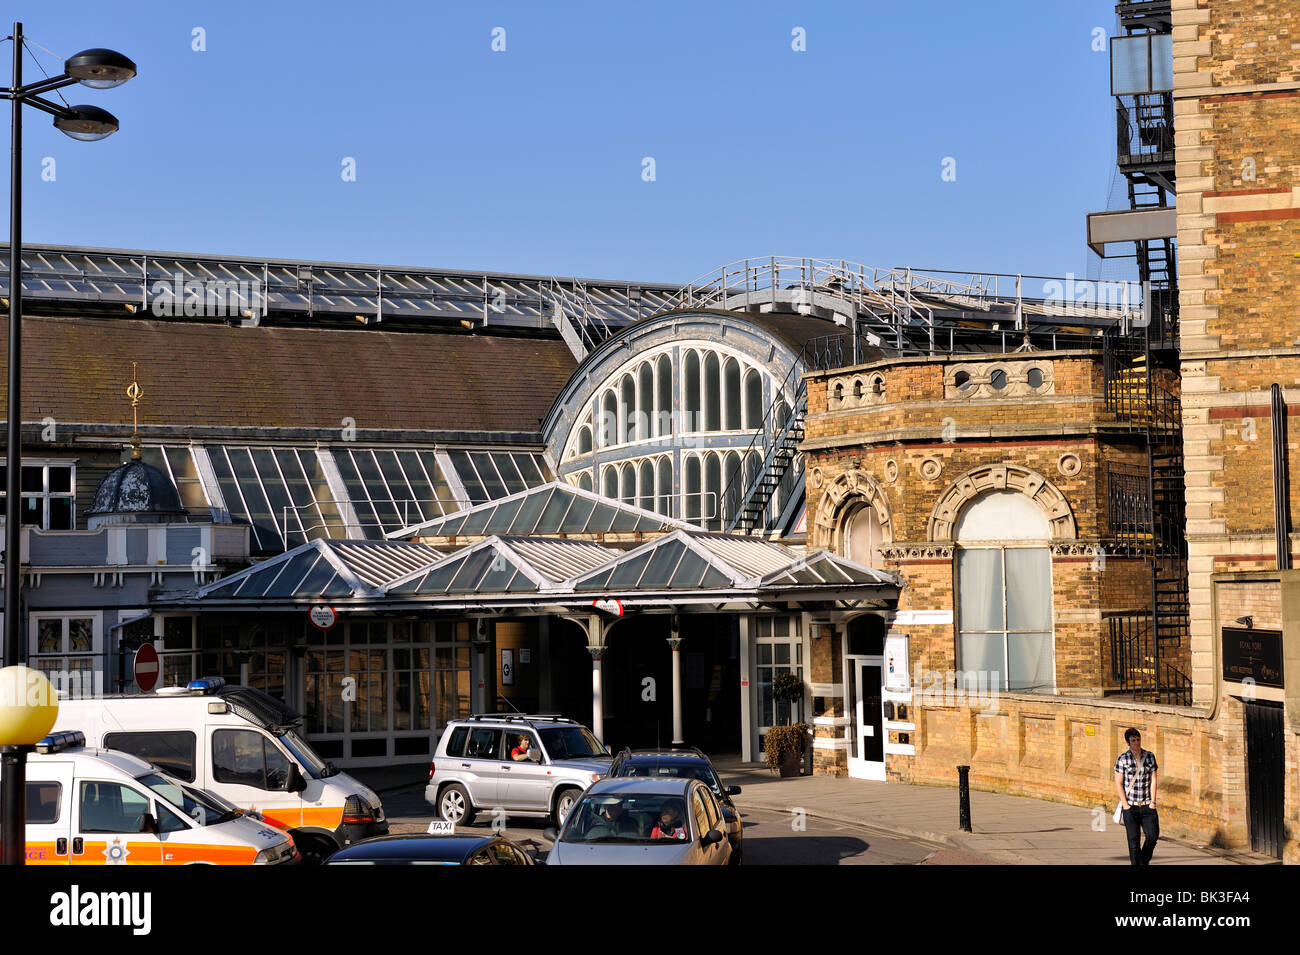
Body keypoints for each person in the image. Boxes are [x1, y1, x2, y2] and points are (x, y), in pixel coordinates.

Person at [1114, 727, 1159, 865]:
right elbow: (1118, 783)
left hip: (1147, 806)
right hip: (1130, 807)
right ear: (1128, 742)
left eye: (1138, 739)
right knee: (1133, 842)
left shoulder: (1150, 756)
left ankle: (1142, 862)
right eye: (1133, 740)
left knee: (1152, 836)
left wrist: (1153, 802)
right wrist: (1126, 805)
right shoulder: (1122, 759)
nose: (1136, 743)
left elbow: (1154, 779)